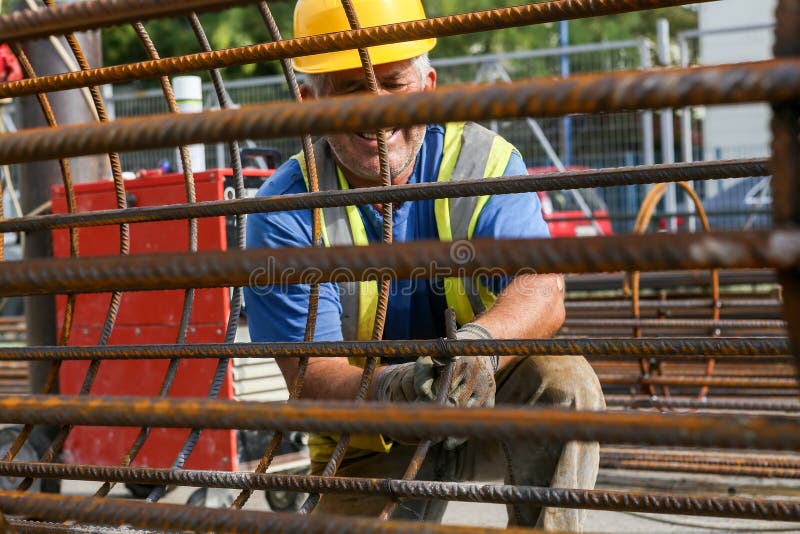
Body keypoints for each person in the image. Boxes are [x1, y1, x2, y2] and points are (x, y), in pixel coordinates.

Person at [244, 0, 604, 529]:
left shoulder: (486, 164)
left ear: (429, 85)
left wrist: (477, 352)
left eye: (393, 83)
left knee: (564, 381)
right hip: (367, 436)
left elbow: (542, 288)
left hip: (489, 404)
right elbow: (312, 376)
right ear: (307, 103)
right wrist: (399, 388)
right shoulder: (285, 212)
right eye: (350, 89)